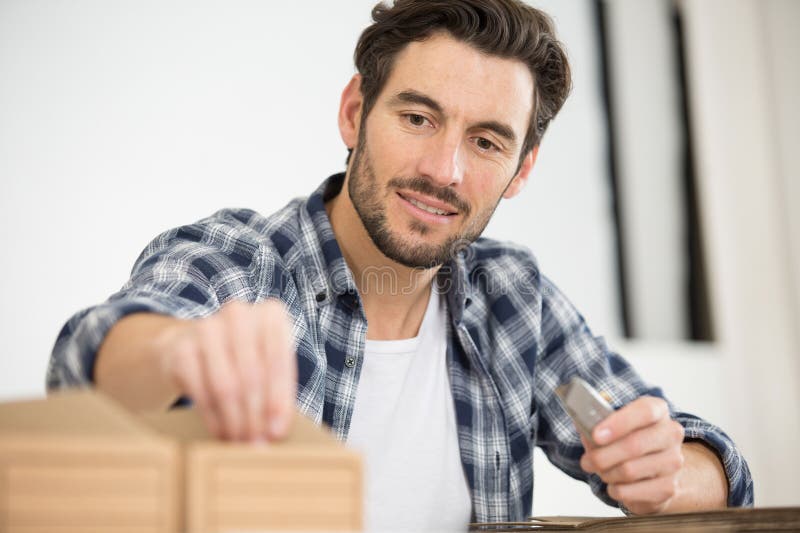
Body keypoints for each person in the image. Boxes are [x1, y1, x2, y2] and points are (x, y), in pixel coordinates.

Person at [47, 0, 753, 529]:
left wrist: (669, 473)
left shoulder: (513, 297)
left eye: (484, 141)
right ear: (355, 112)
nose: (443, 170)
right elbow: (87, 361)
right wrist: (179, 351)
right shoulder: (244, 263)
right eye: (418, 117)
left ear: (521, 168)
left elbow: (712, 465)